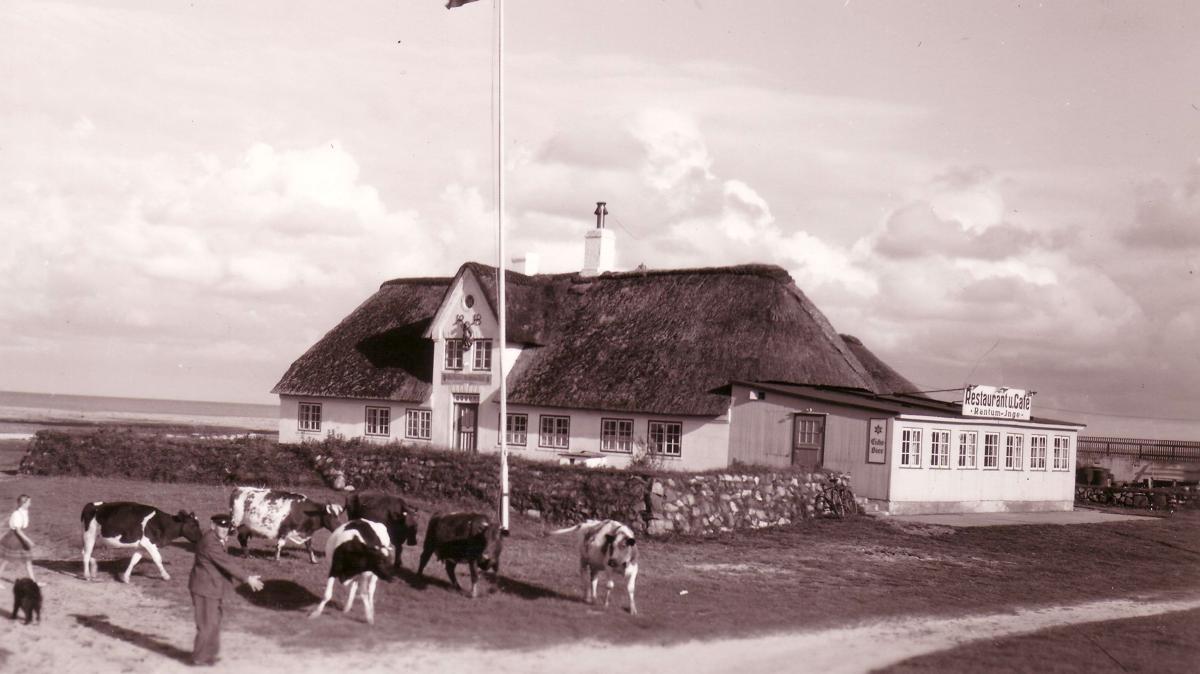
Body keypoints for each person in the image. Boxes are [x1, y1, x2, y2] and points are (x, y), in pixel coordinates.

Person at [189, 514, 264, 667]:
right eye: (220, 526)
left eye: (226, 527)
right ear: (212, 526)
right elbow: (226, 563)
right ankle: (199, 657)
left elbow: (224, 561)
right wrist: (247, 578)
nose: (224, 530)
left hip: (211, 587)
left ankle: (209, 654)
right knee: (207, 624)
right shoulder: (210, 543)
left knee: (214, 622)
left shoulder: (215, 539)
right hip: (204, 588)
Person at [0, 494, 40, 585]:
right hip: (14, 538)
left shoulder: (25, 511)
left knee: (28, 560)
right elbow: (18, 531)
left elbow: (22, 529)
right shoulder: (17, 514)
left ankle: (33, 582)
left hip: (20, 536)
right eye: (29, 502)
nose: (30, 504)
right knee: (6, 560)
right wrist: (28, 540)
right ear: (23, 503)